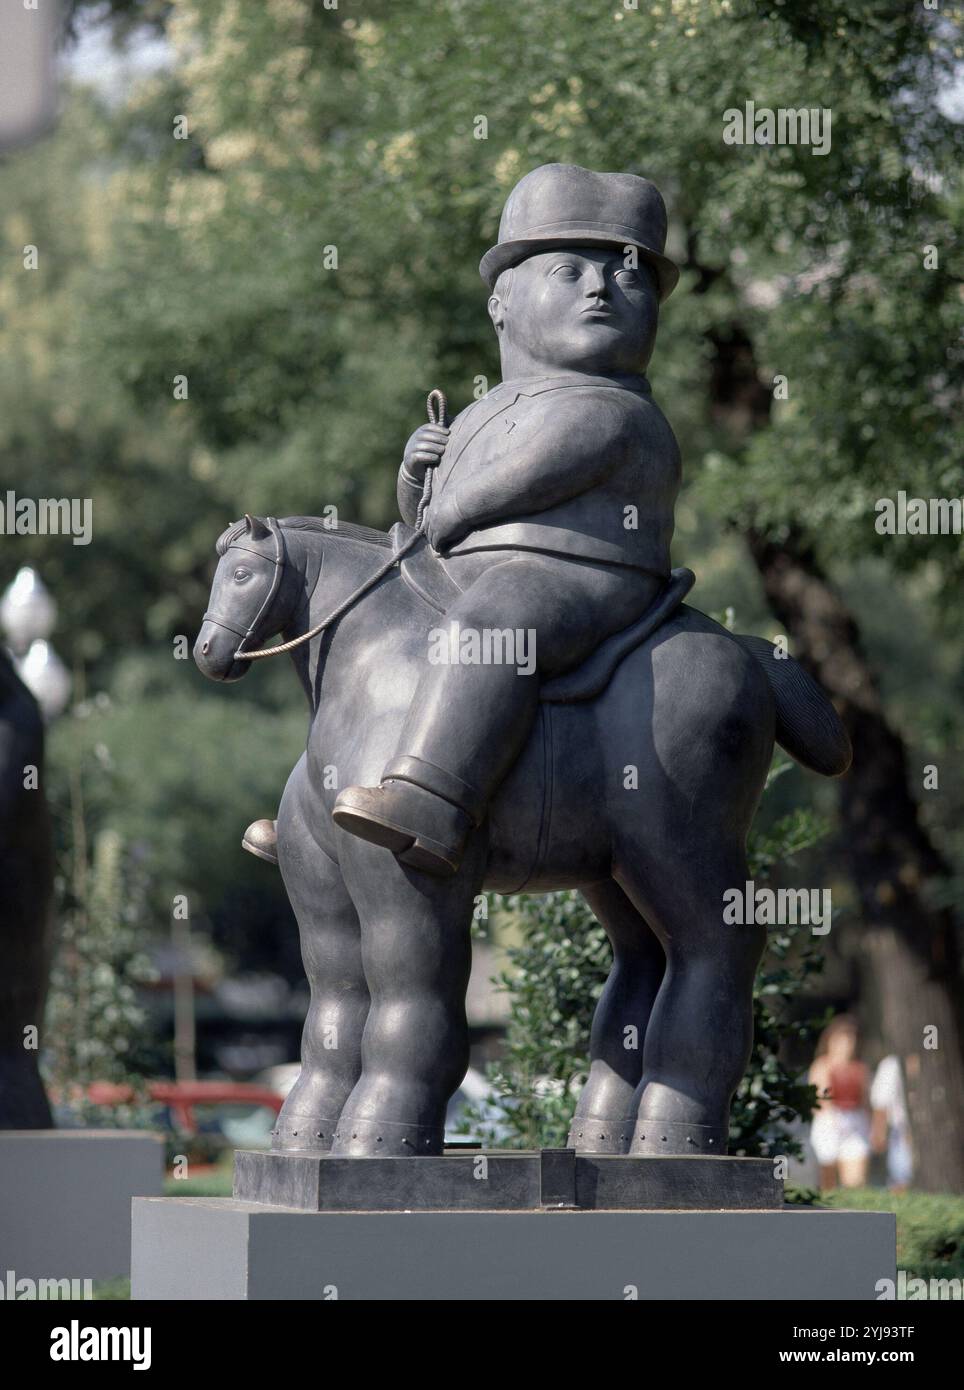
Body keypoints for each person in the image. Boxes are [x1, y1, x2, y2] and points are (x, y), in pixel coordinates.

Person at [329, 162, 683, 876]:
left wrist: (455, 507)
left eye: (628, 274)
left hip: (584, 579)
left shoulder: (612, 407)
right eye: (570, 270)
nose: (601, 285)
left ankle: (430, 800)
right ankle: (318, 813)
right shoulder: (482, 409)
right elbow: (421, 519)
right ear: (502, 302)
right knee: (359, 628)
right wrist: (416, 473)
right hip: (474, 567)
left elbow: (540, 469)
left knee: (491, 625)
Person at [808, 1014, 872, 1190]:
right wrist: (832, 1121)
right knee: (828, 1179)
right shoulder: (822, 1065)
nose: (846, 1046)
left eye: (850, 1041)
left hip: (855, 1121)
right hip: (830, 1120)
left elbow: (865, 1099)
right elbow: (821, 1098)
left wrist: (870, 1125)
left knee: (855, 1181)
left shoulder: (860, 1068)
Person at [870, 1053, 914, 1192]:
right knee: (901, 1179)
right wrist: (879, 1132)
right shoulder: (892, 1064)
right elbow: (881, 1104)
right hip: (901, 1131)